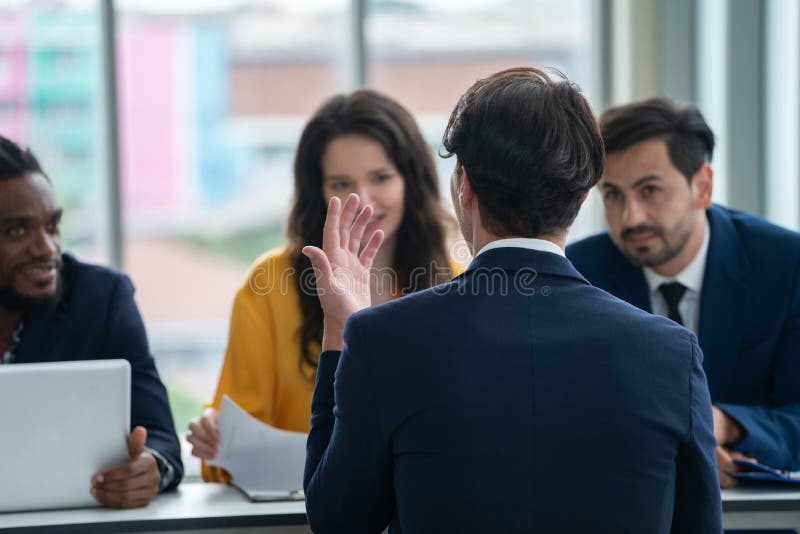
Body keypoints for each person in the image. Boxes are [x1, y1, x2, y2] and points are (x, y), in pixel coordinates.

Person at [301, 68, 722, 532]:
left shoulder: (383, 339)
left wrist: (340, 328)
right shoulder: (672, 353)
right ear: (582, 198)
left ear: (465, 190)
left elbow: (336, 521)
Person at [187, 90, 461, 481]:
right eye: (341, 184)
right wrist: (217, 438)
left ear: (411, 181)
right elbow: (233, 446)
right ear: (317, 192)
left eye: (381, 177)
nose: (362, 201)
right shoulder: (269, 284)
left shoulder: (456, 281)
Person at [566, 97, 800, 488]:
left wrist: (724, 424)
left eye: (649, 190)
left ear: (702, 187)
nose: (630, 217)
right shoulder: (580, 272)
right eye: (613, 195)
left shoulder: (785, 265)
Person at [0, 135, 183, 509]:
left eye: (52, 226)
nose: (47, 248)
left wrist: (149, 467)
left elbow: (162, 438)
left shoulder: (100, 298)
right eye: (17, 231)